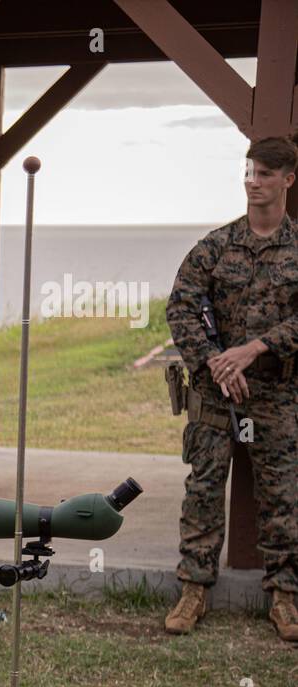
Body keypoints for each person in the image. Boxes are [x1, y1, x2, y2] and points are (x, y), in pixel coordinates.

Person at [164, 131, 298, 642]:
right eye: (248, 171)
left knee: (283, 493)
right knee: (202, 487)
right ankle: (193, 589)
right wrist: (217, 362)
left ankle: (284, 597)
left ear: (287, 180)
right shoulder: (217, 246)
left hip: (275, 393)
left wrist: (257, 348)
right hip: (217, 392)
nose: (253, 182)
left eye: (264, 174)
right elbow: (180, 306)